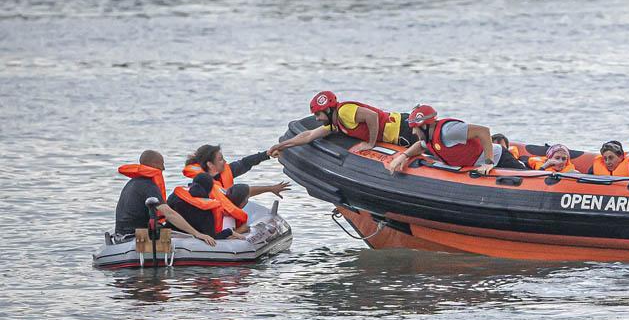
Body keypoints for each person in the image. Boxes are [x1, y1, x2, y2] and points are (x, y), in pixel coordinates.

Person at [113, 150, 215, 246]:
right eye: (162, 164)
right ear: (154, 164)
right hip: (134, 236)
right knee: (189, 237)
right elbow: (169, 213)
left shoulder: (132, 182)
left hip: (121, 234)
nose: (164, 168)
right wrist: (197, 233)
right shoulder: (149, 186)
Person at [269, 91, 415, 157]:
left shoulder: (344, 111)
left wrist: (370, 143)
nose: (317, 119)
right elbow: (308, 135)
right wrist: (281, 145)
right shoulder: (335, 124)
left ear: (327, 110)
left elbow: (372, 116)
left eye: (318, 114)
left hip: (403, 129)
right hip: (400, 136)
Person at [385, 104, 499, 175]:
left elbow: (483, 131)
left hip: (498, 158)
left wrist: (489, 162)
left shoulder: (448, 132)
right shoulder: (430, 137)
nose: (414, 132)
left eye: (415, 128)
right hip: (474, 165)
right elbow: (421, 145)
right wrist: (404, 156)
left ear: (425, 126)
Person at [183, 144, 290, 200]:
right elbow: (241, 193)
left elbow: (245, 163)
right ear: (210, 164)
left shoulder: (225, 171)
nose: (225, 162)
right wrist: (270, 188)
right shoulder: (202, 185)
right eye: (220, 159)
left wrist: (267, 154)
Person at [166, 173, 247, 240]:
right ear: (209, 189)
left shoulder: (175, 195)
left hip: (170, 233)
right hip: (192, 241)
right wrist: (230, 232)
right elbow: (212, 237)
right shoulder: (206, 208)